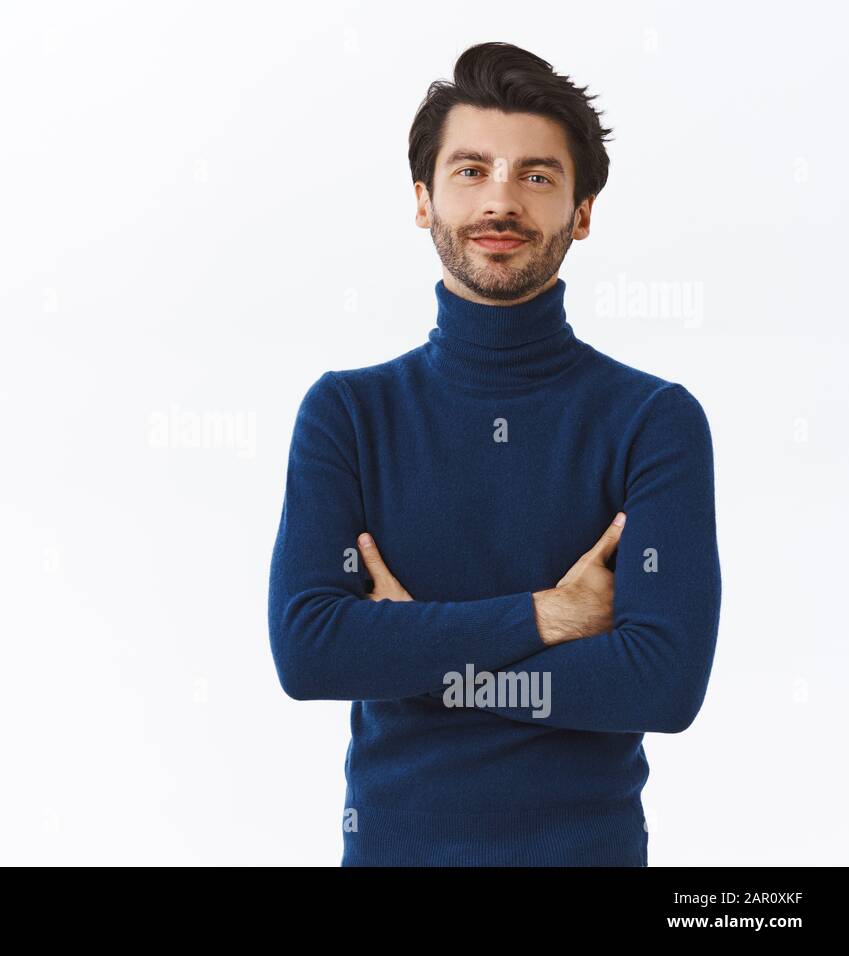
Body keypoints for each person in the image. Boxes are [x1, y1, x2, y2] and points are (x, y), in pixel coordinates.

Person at [267, 41, 722, 866]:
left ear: (581, 212)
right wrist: (547, 617)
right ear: (422, 199)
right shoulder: (348, 413)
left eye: (537, 176)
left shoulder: (653, 420)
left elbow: (664, 681)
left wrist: (415, 651)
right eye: (471, 170)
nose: (500, 201)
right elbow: (310, 651)